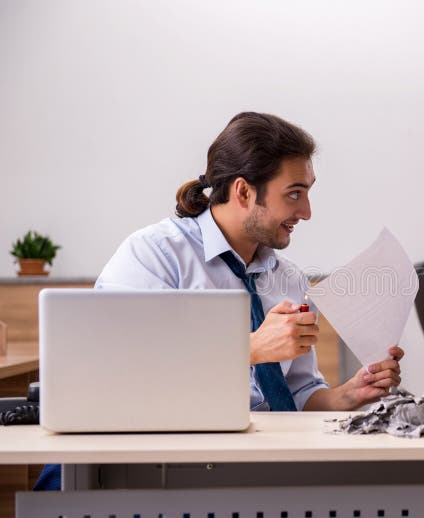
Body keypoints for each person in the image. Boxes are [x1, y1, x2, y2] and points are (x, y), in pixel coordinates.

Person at [34, 112, 403, 490]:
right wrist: (251, 347)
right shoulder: (155, 254)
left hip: (257, 459)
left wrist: (347, 395)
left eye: (308, 193)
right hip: (163, 461)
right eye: (294, 193)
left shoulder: (287, 276)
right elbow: (121, 371)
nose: (306, 212)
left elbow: (298, 394)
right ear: (243, 192)